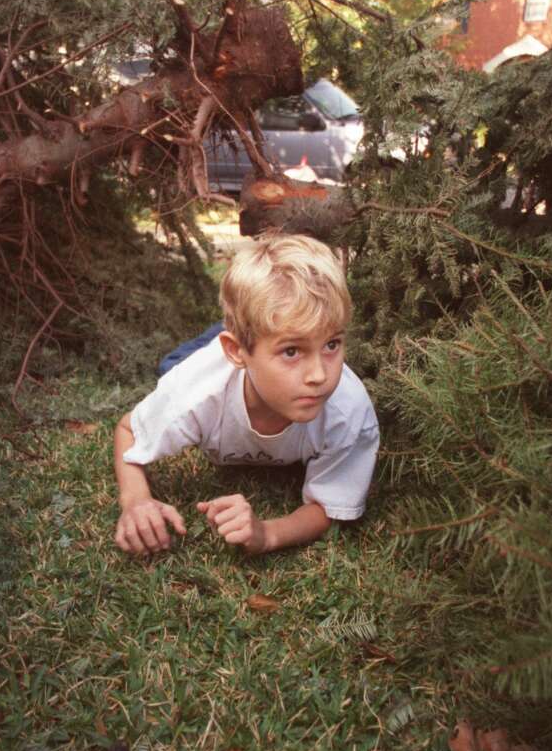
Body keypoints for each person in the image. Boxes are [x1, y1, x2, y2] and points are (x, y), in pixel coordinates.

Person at [113, 233, 379, 556]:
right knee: (172, 366)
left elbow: (330, 506)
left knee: (261, 331)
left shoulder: (348, 409)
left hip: (251, 347)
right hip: (216, 360)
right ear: (236, 352)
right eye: (292, 351)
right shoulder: (197, 391)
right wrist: (136, 500)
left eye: (332, 345)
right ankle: (223, 335)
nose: (319, 376)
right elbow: (128, 429)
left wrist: (268, 534)